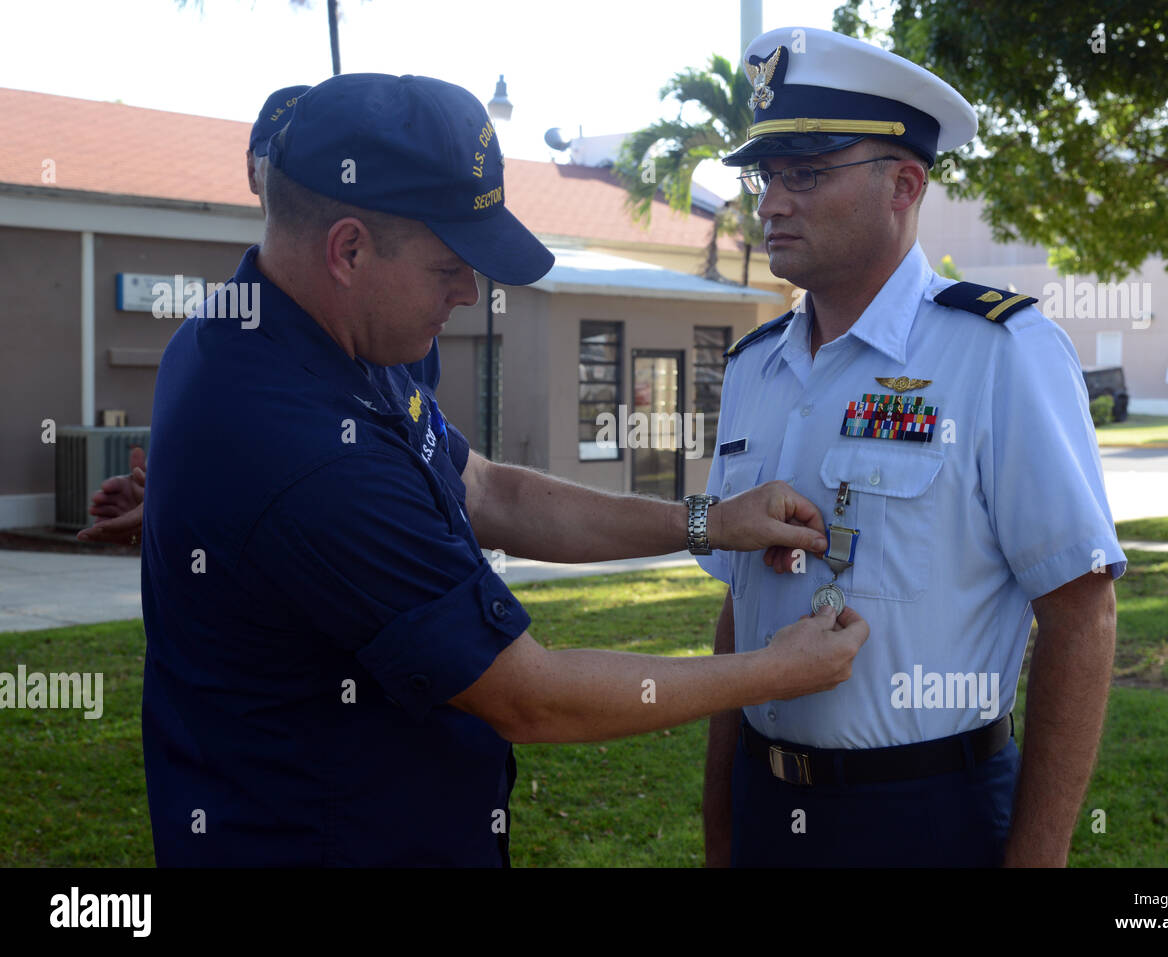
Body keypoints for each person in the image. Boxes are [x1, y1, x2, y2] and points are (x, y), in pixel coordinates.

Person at [140, 72, 870, 867]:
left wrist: (707, 519)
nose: (469, 292)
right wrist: (773, 669)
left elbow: (484, 487)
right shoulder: (303, 449)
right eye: (450, 264)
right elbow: (532, 695)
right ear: (347, 248)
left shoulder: (329, 335)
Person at [697, 27, 1125, 867]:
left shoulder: (999, 352)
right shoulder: (756, 367)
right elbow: (739, 609)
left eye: (807, 173)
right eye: (766, 175)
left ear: (904, 182)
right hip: (765, 799)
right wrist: (721, 828)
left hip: (929, 816)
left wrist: (1036, 857)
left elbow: (1081, 611)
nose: (772, 203)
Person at [77, 85, 310, 546]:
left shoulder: (397, 332)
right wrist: (172, 503)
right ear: (252, 171)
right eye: (285, 159)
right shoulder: (203, 348)